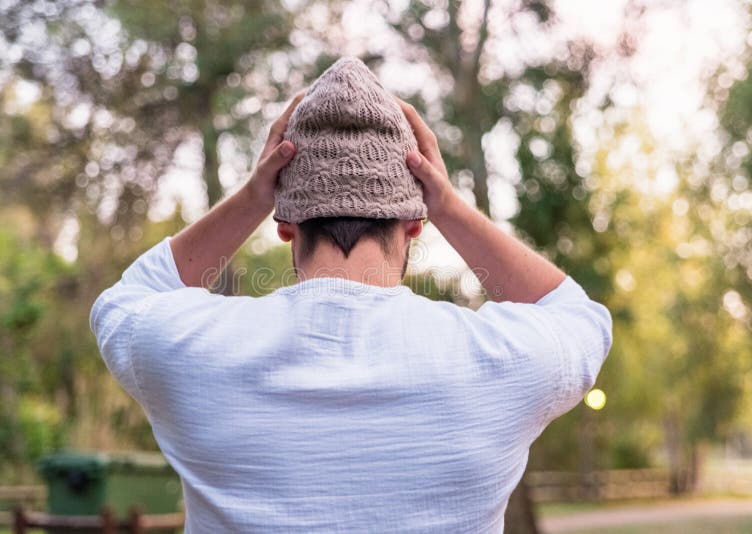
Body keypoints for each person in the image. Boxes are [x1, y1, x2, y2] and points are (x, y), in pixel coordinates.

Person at [90, 56, 612, 533]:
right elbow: (577, 315)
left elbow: (128, 297)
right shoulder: (496, 358)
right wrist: (449, 205)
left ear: (286, 227)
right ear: (413, 226)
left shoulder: (193, 349)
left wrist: (254, 196)